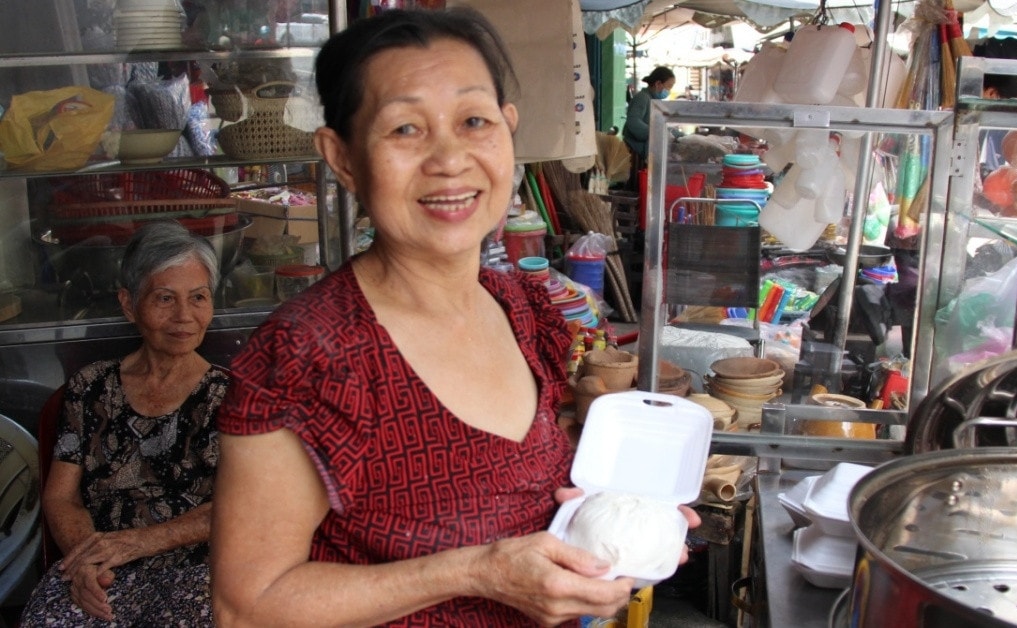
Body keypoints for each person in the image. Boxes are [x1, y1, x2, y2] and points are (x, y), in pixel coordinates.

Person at [210, 8, 698, 627]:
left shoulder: (522, 309)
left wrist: (616, 520)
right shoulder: (308, 356)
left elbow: (507, 494)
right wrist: (476, 571)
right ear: (343, 158)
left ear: (508, 131)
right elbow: (245, 608)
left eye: (474, 121)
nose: (449, 159)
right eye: (406, 129)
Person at [21, 221, 227, 626]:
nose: (184, 316)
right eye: (165, 298)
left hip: (196, 573)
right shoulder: (90, 387)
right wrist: (86, 563)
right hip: (100, 571)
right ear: (129, 304)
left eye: (198, 297)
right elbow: (62, 497)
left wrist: (133, 544)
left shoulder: (234, 398)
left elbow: (238, 508)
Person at [622, 66, 675, 161]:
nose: (669, 91)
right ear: (658, 84)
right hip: (634, 152)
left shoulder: (653, 100)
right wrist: (655, 132)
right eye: (669, 86)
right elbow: (633, 121)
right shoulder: (642, 98)